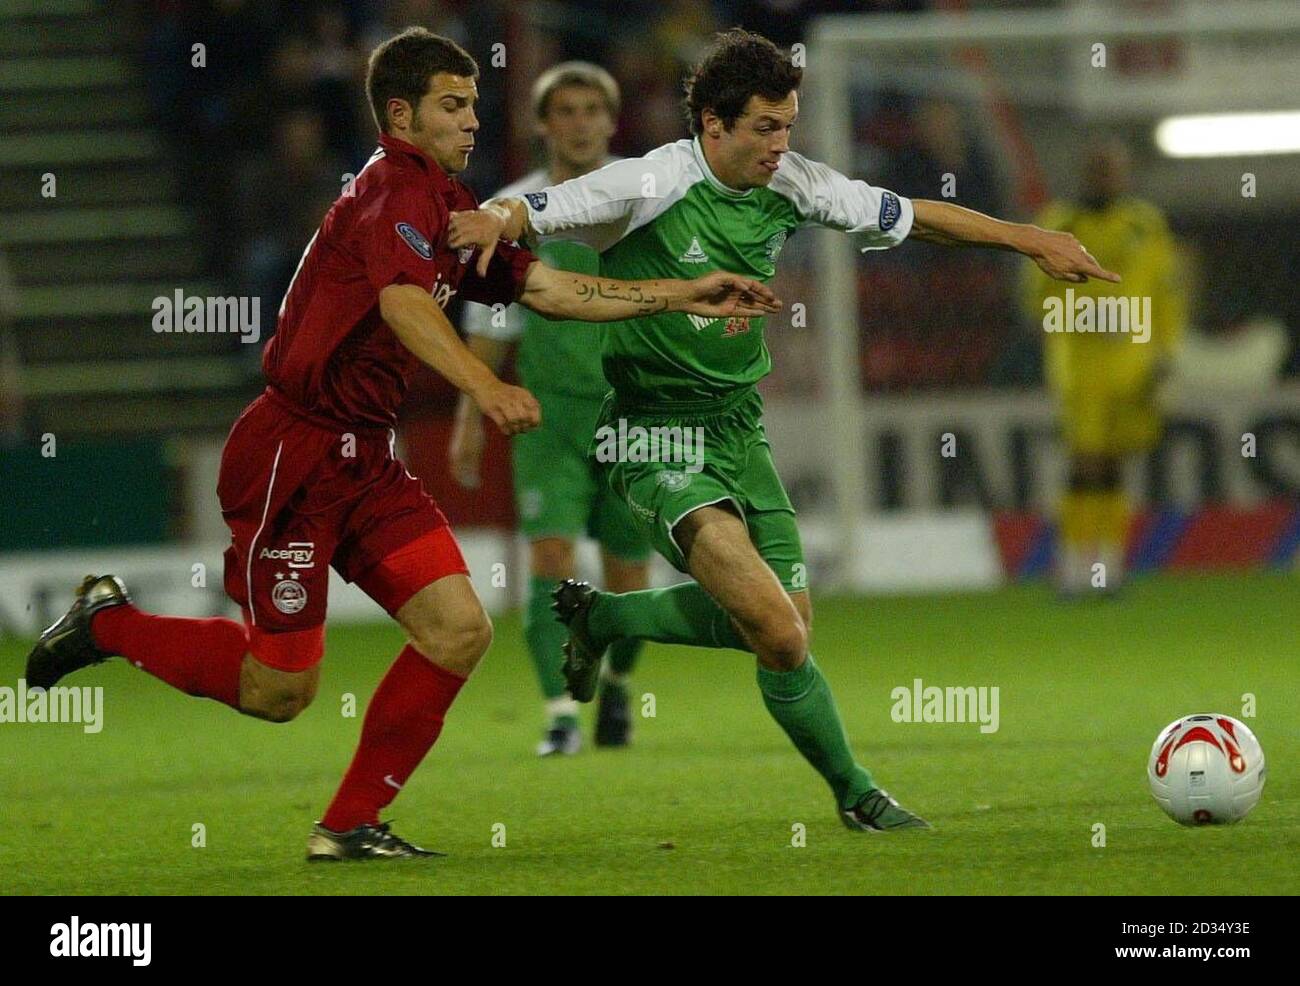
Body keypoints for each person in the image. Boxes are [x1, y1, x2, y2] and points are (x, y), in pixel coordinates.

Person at [24, 27, 778, 861]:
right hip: (296, 456)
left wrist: (681, 293)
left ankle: (347, 826)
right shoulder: (391, 194)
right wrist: (483, 386)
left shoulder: (451, 207)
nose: (469, 123)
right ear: (400, 114)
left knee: (458, 628)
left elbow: (554, 288)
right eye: (452, 107)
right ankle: (110, 623)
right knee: (278, 690)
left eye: (474, 106)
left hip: (365, 461)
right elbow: (403, 305)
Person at [449, 27, 1116, 832]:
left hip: (739, 430)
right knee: (771, 625)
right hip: (653, 437)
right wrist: (494, 215)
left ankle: (606, 616)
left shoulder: (796, 183)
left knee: (787, 633)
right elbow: (538, 208)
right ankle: (859, 796)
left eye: (788, 125)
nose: (780, 144)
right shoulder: (650, 180)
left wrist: (1030, 239)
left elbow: (913, 217)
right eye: (765, 127)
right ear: (713, 126)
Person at [450, 62, 651, 756]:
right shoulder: (511, 211)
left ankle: (619, 687)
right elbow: (492, 326)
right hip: (547, 419)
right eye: (564, 110)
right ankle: (561, 713)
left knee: (628, 572)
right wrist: (470, 417)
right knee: (552, 560)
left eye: (591, 109)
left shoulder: (647, 196)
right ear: (543, 124)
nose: (579, 121)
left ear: (611, 119)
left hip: (636, 417)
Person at [1023, 138, 1186, 596]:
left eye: (1113, 168)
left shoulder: (1145, 224)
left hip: (1132, 367)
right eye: (1097, 168)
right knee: (1083, 462)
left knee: (1115, 464)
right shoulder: (1059, 224)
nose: (1106, 177)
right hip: (1079, 365)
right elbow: (1037, 298)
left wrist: (1166, 352)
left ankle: (1109, 566)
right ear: (1084, 172)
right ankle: (1076, 566)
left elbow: (1165, 291)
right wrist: (1090, 318)